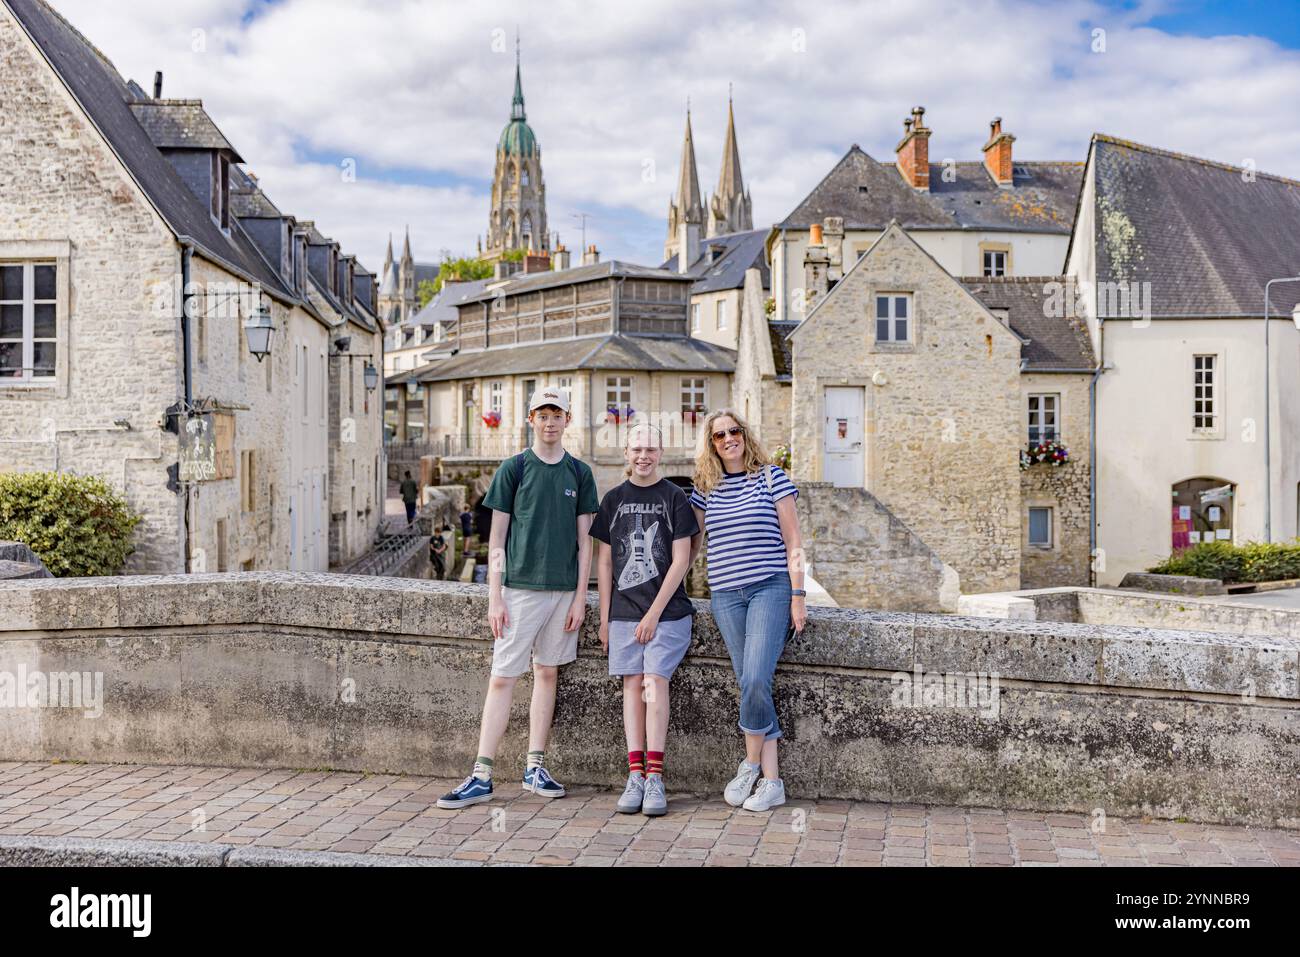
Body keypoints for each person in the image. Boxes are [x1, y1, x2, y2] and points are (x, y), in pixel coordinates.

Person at [437, 387, 599, 809]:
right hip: (520, 590)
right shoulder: (513, 469)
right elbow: (497, 539)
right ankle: (482, 773)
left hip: (563, 592)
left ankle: (535, 766)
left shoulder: (580, 474)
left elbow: (586, 545)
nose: (550, 422)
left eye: (556, 415)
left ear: (567, 420)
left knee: (547, 675)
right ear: (531, 419)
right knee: (503, 677)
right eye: (542, 415)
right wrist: (495, 596)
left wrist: (582, 597)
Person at [689, 409, 806, 813]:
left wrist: (798, 594)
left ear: (745, 434)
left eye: (733, 431)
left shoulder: (772, 477)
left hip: (769, 589)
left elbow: (793, 541)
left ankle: (750, 763)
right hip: (725, 596)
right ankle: (773, 783)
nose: (727, 439)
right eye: (719, 435)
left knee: (756, 677)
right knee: (748, 683)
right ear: (712, 444)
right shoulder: (705, 488)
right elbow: (690, 545)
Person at [591, 424, 698, 817]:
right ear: (625, 452)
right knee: (631, 686)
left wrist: (653, 615)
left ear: (661, 451)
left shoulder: (674, 497)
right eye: (637, 449)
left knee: (654, 682)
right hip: (623, 613)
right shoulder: (614, 499)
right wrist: (604, 618)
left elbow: (682, 559)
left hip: (667, 613)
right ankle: (634, 774)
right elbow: (604, 562)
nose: (643, 456)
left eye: (650, 449)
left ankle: (655, 776)